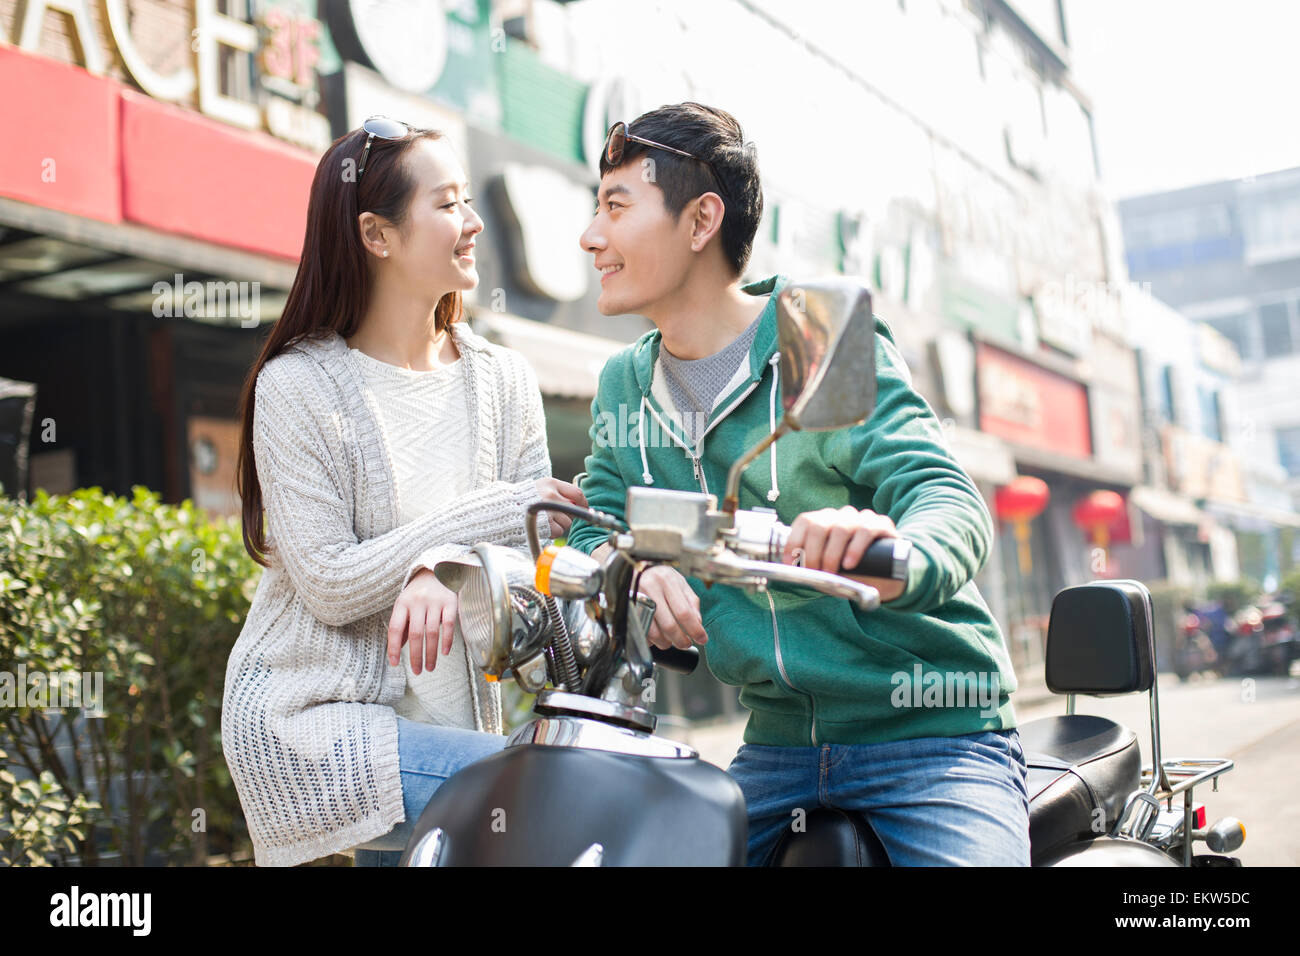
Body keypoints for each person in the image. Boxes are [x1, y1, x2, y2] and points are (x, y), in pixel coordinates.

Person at [565, 103, 1030, 866]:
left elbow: (944, 497)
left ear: (700, 219)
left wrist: (897, 548)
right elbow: (598, 524)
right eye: (595, 208)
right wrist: (639, 570)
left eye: (616, 206)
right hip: (776, 746)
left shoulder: (814, 335)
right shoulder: (623, 381)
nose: (591, 235)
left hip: (934, 733)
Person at [222, 118, 586, 867]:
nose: (475, 222)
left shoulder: (504, 380)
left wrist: (447, 565)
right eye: (449, 205)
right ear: (376, 234)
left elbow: (540, 547)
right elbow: (328, 580)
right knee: (538, 798)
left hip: (450, 718)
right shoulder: (298, 387)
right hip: (315, 721)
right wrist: (457, 546)